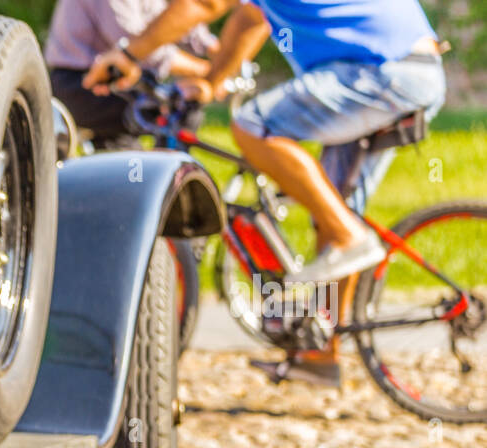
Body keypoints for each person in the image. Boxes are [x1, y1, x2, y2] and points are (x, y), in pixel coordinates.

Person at [84, 0, 446, 286]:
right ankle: (320, 352)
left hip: (382, 70)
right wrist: (212, 80)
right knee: (336, 208)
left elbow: (205, 4)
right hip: (415, 67)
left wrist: (130, 55)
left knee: (253, 124)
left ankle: (346, 234)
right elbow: (250, 18)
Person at [46, 0, 218, 148]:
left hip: (116, 81)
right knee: (176, 107)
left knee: (131, 158)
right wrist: (207, 71)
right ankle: (170, 176)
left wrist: (220, 54)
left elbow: (177, 22)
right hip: (80, 83)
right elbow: (137, 46)